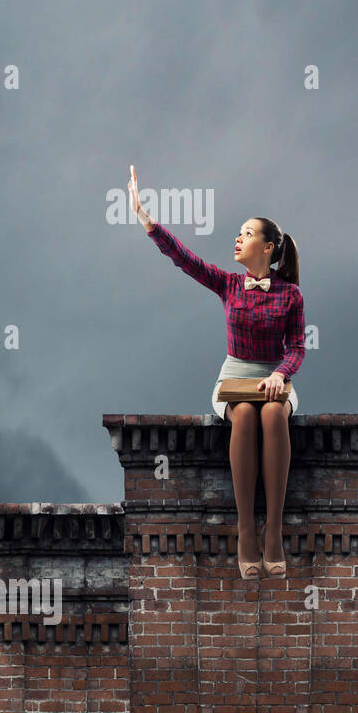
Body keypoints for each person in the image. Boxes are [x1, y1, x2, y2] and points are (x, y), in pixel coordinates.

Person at [128, 165, 305, 581]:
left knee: (273, 413)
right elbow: (185, 261)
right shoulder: (227, 284)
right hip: (234, 378)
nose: (238, 238)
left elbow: (297, 347)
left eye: (246, 233)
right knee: (243, 414)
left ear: (267, 247)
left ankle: (274, 529)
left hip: (275, 378)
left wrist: (280, 374)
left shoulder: (291, 295)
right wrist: (149, 222)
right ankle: (246, 530)